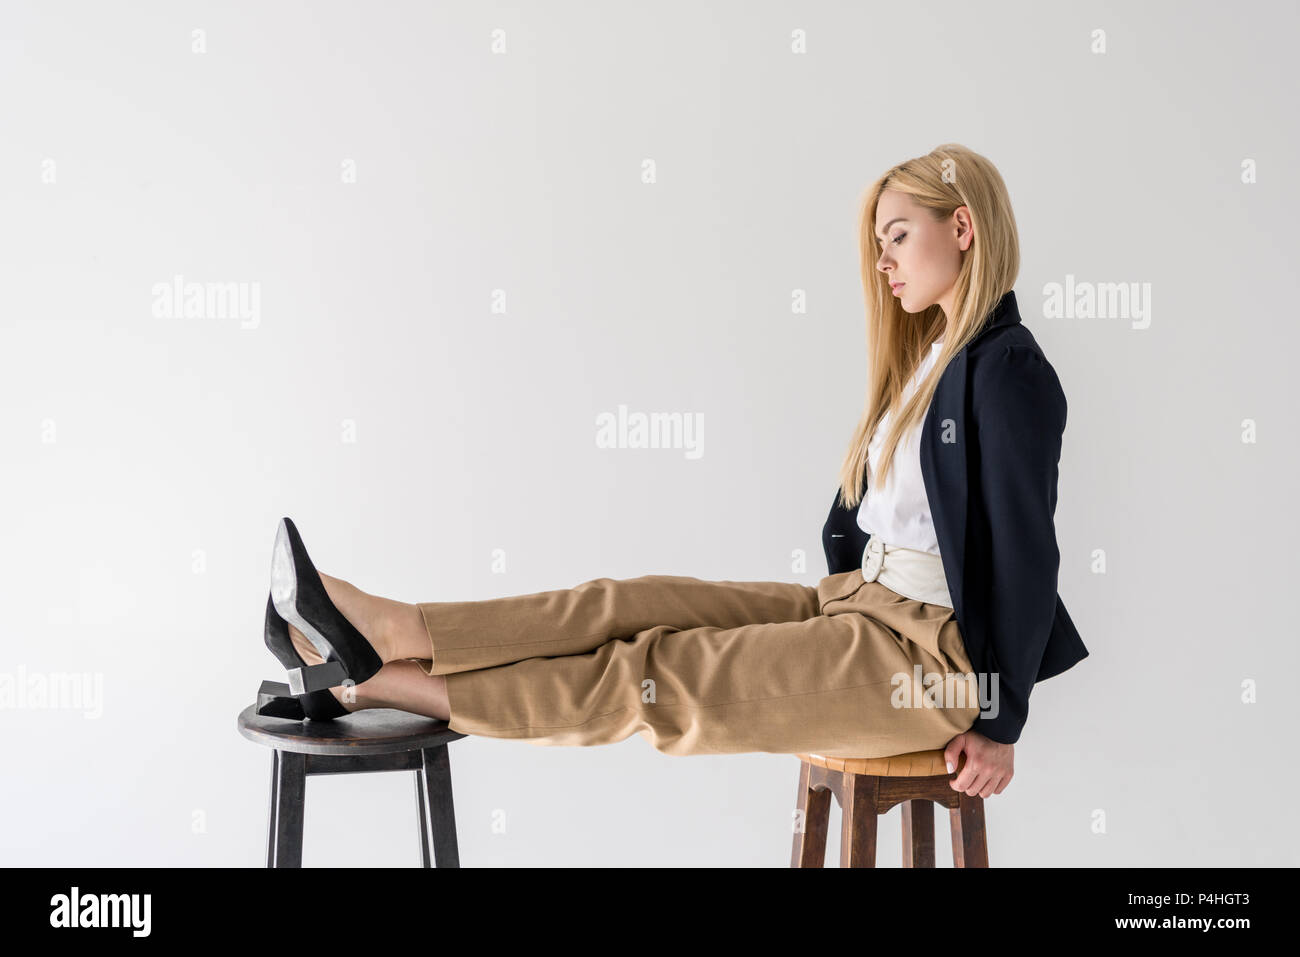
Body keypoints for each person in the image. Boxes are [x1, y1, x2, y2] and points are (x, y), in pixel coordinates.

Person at [256, 143, 1088, 800]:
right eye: (878, 245)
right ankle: (396, 627)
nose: (883, 262)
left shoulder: (1007, 370)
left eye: (898, 236)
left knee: (655, 676)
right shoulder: (931, 358)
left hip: (927, 663)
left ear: (964, 228)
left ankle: (376, 683)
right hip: (860, 605)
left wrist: (1002, 718)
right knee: (626, 605)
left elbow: (1024, 554)